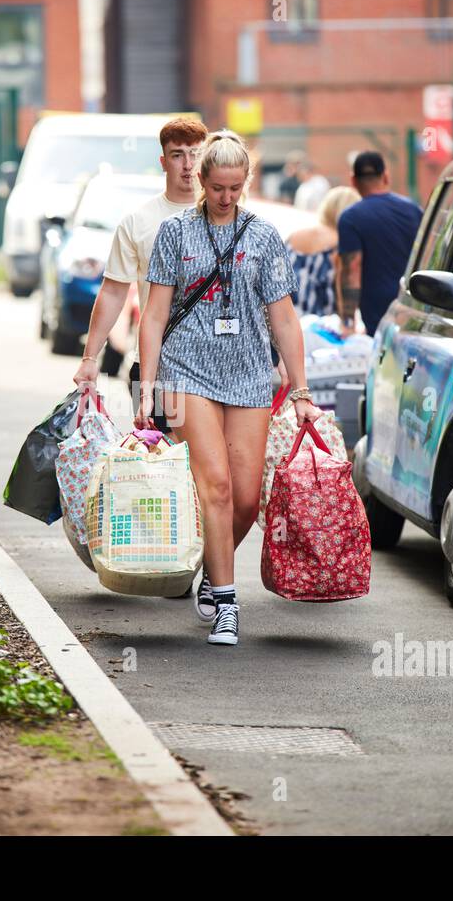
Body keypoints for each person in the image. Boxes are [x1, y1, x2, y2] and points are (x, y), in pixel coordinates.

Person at [137, 130, 322, 646]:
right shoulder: (175, 234)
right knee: (213, 484)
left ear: (246, 182)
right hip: (187, 369)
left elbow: (283, 319)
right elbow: (153, 316)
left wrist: (302, 392)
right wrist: (147, 387)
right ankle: (226, 601)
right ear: (201, 180)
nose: (225, 197)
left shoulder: (264, 237)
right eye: (218, 187)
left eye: (235, 188)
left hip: (248, 373)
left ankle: (206, 566)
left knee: (243, 501)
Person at [72, 117, 208, 432]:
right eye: (177, 155)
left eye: (195, 154)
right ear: (163, 161)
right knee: (161, 470)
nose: (187, 165)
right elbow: (113, 292)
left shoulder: (226, 216)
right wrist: (90, 358)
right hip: (153, 365)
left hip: (216, 364)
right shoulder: (138, 222)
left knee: (214, 473)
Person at [336, 151, 423, 335]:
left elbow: (352, 269)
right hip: (413, 308)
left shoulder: (350, 218)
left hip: (378, 316)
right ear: (386, 176)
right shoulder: (414, 210)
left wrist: (348, 321)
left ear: (353, 181)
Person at [286, 185, 359, 317]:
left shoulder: (292, 238)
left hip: (285, 324)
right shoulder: (342, 245)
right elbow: (345, 294)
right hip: (320, 329)